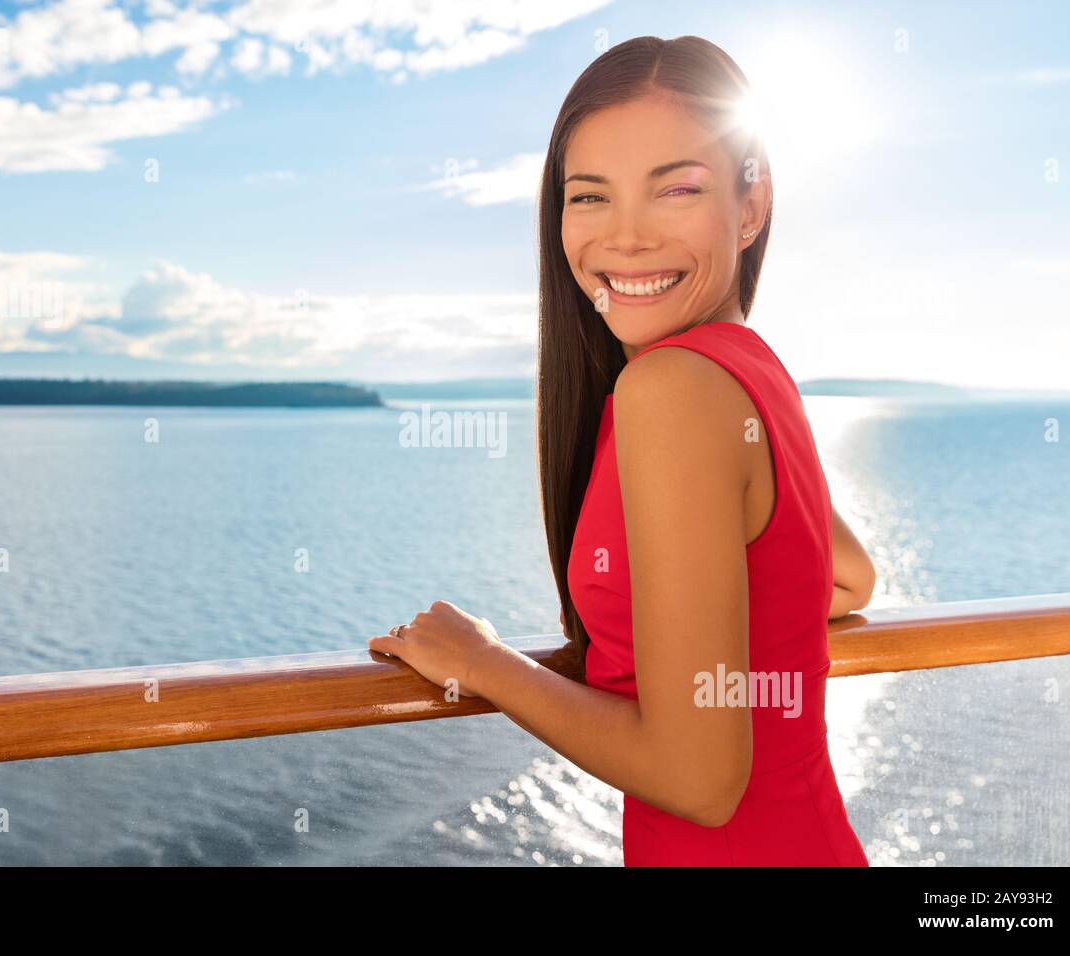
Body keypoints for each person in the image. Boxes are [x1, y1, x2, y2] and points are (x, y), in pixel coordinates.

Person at [367, 35, 877, 866]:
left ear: (751, 206)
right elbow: (849, 579)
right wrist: (694, 635)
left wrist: (486, 663)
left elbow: (699, 782)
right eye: (590, 196)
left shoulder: (671, 390)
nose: (627, 237)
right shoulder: (748, 371)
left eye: (677, 188)